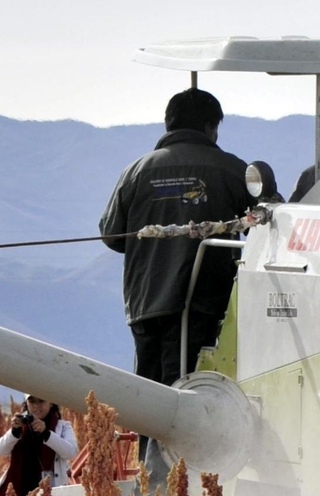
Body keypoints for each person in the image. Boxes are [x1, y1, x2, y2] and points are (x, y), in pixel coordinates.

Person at [99, 88, 255, 388]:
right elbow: (267, 225)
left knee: (148, 393)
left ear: (168, 123)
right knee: (186, 391)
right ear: (211, 127)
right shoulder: (233, 170)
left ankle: (148, 438)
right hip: (202, 303)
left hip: (145, 302)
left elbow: (112, 235)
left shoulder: (136, 171)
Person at [0, 395, 78, 496]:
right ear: (26, 403)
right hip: (22, 493)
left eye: (41, 401)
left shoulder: (63, 426)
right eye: (32, 401)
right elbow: (1, 450)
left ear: (51, 403)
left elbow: (71, 452)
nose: (36, 406)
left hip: (51, 492)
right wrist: (14, 432)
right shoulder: (22, 424)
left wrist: (47, 434)